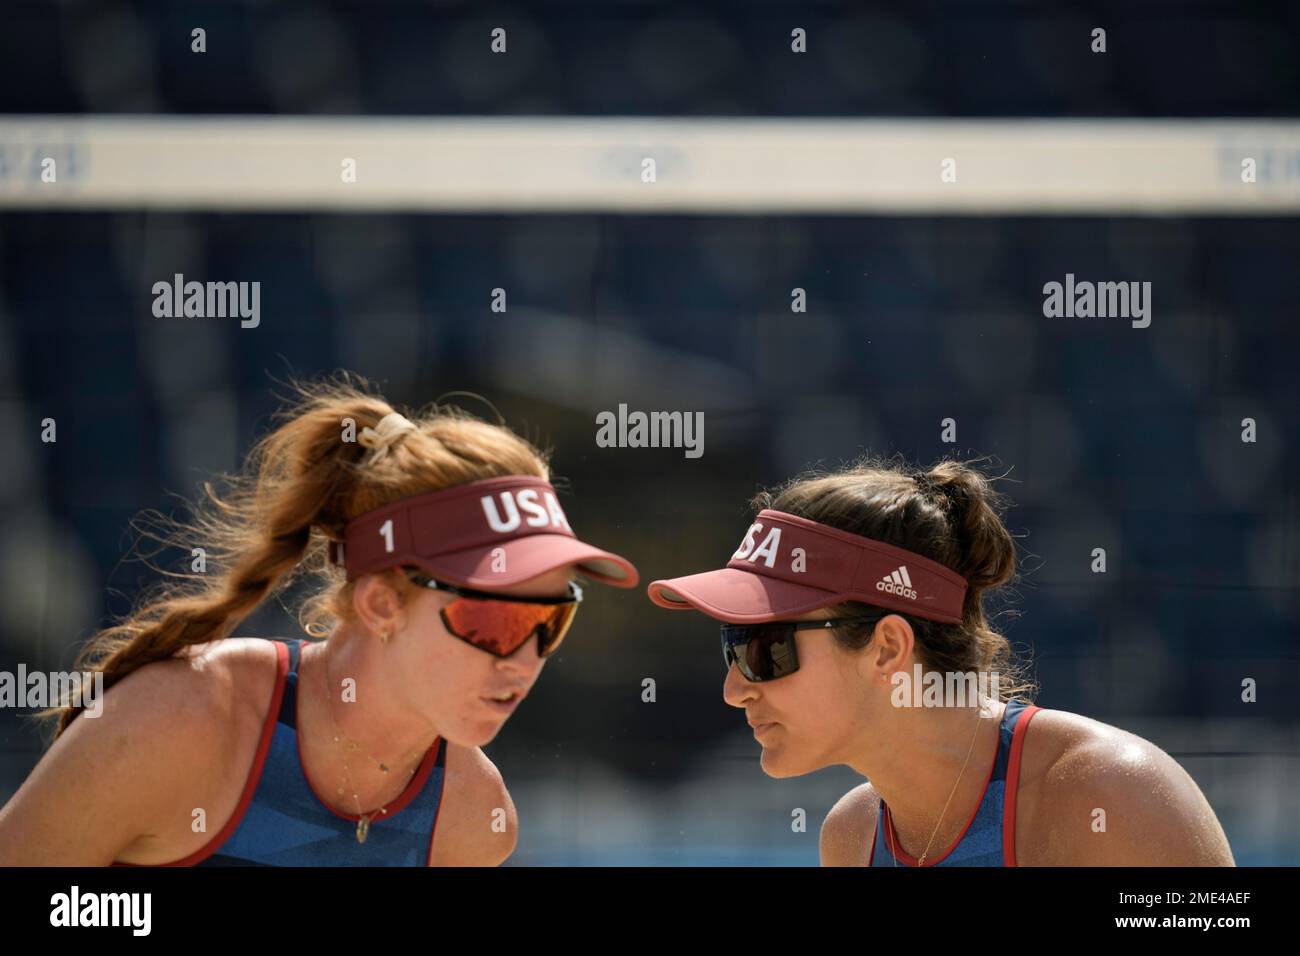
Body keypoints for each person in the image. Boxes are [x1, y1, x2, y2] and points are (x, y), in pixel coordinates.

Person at [0, 375, 637, 866]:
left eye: (551, 621)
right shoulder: (184, 719)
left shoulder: (473, 819)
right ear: (382, 604)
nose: (523, 661)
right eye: (492, 621)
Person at [647, 456, 1234, 866]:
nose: (734, 689)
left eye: (764, 649)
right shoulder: (851, 839)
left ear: (888, 648)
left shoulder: (1107, 795)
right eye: (733, 642)